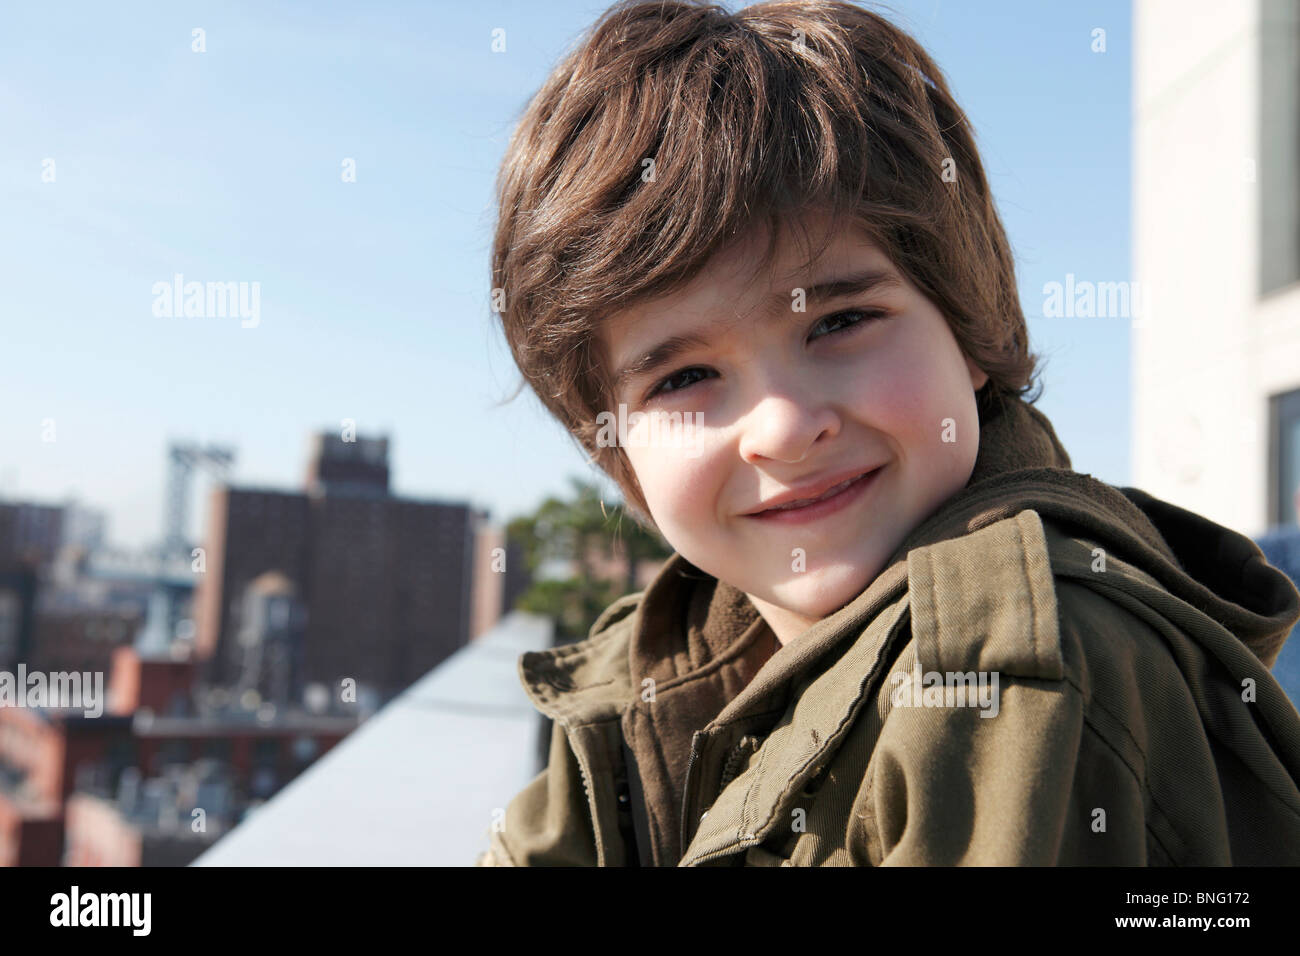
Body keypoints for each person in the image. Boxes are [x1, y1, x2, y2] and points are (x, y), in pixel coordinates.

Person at [477, 0, 1300, 865]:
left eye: (840, 322)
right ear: (616, 449)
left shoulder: (1009, 681)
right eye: (684, 378)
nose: (786, 429)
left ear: (969, 331)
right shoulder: (659, 670)